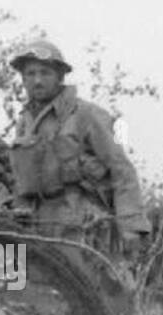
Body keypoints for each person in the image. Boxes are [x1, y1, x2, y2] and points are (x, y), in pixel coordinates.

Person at [8, 39, 152, 255]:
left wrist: (131, 227)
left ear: (60, 76)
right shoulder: (25, 122)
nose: (37, 80)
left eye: (45, 73)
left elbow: (121, 169)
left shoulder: (87, 115)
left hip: (81, 224)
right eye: (30, 73)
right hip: (38, 224)